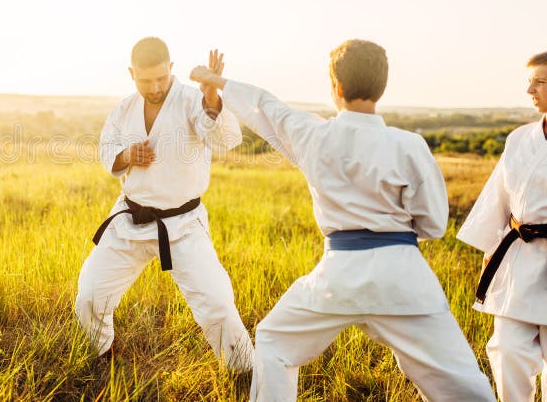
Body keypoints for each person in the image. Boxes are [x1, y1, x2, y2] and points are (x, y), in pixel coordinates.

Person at [190, 39, 494, 401]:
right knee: (461, 380)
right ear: (382, 87)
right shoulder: (409, 144)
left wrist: (216, 81)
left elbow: (264, 104)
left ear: (336, 87)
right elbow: (433, 225)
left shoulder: (313, 133)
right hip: (405, 277)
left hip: (338, 277)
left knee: (274, 340)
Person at [75, 37, 254, 371]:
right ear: (131, 73)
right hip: (131, 218)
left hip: (183, 225)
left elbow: (227, 139)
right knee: (89, 295)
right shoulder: (124, 109)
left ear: (171, 68)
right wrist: (127, 155)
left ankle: (243, 370)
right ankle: (102, 353)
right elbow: (106, 150)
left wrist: (212, 99)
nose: (155, 86)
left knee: (217, 303)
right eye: (146, 80)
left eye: (161, 77)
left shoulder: (192, 100)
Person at [456, 51, 547, 401]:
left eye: (539, 81)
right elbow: (499, 199)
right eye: (529, 81)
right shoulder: (519, 139)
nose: (529, 90)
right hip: (519, 260)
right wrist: (492, 248)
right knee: (507, 351)